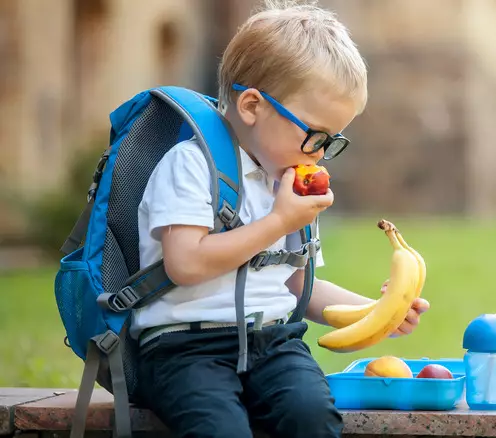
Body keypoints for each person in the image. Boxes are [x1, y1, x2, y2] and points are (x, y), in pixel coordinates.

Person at [129, 2, 430, 437]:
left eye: (332, 139)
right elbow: (185, 264)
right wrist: (277, 222)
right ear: (252, 105)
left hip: (273, 343)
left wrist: (377, 312)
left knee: (312, 417)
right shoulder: (192, 165)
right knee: (220, 430)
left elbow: (296, 284)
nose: (320, 153)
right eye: (314, 135)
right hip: (185, 348)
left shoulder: (289, 184)